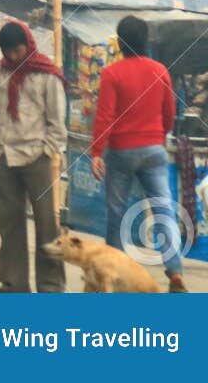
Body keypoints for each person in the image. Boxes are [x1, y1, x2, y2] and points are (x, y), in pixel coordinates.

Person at [93, 14, 188, 292]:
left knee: (116, 212)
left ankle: (114, 272)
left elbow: (105, 116)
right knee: (163, 210)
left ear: (120, 42)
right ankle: (175, 272)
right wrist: (158, 136)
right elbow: (170, 113)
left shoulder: (112, 74)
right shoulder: (160, 71)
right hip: (153, 150)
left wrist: (97, 151)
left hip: (121, 151)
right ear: (146, 40)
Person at [0, 20, 68, 293]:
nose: (13, 56)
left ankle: (50, 285)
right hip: (5, 157)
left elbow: (57, 121)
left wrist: (48, 150)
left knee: (47, 225)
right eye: (8, 51)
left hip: (37, 157)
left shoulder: (47, 74)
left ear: (28, 44)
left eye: (17, 50)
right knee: (9, 223)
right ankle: (14, 283)